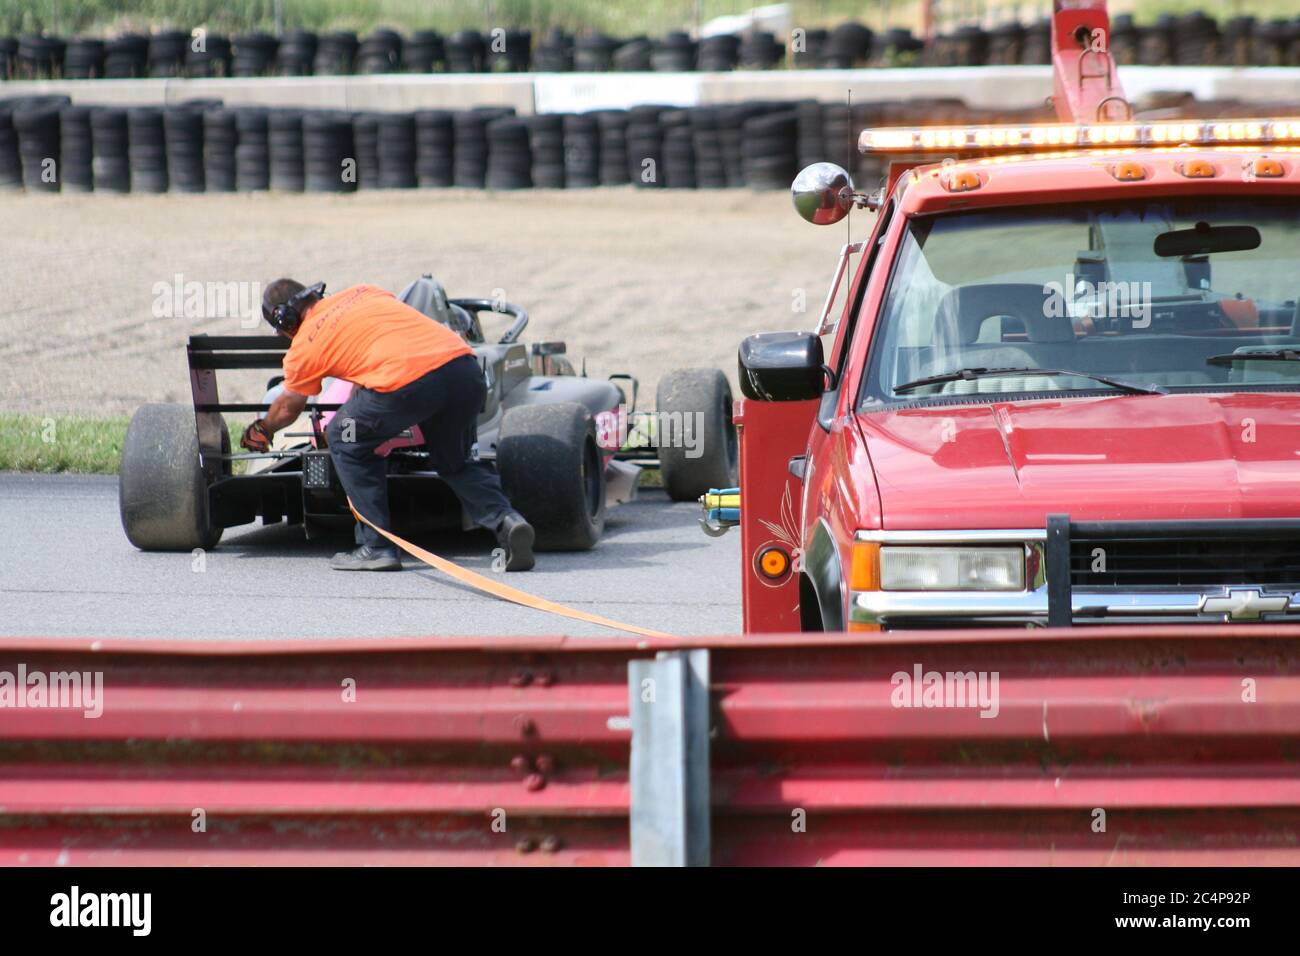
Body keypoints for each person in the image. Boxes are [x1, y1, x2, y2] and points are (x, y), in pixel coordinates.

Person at [240, 278, 535, 572]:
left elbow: (288, 407)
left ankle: (377, 546)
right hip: (464, 371)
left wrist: (264, 429)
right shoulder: (363, 292)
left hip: (408, 381)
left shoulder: (304, 345)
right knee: (455, 462)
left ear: (284, 320)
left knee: (343, 437)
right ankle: (508, 522)